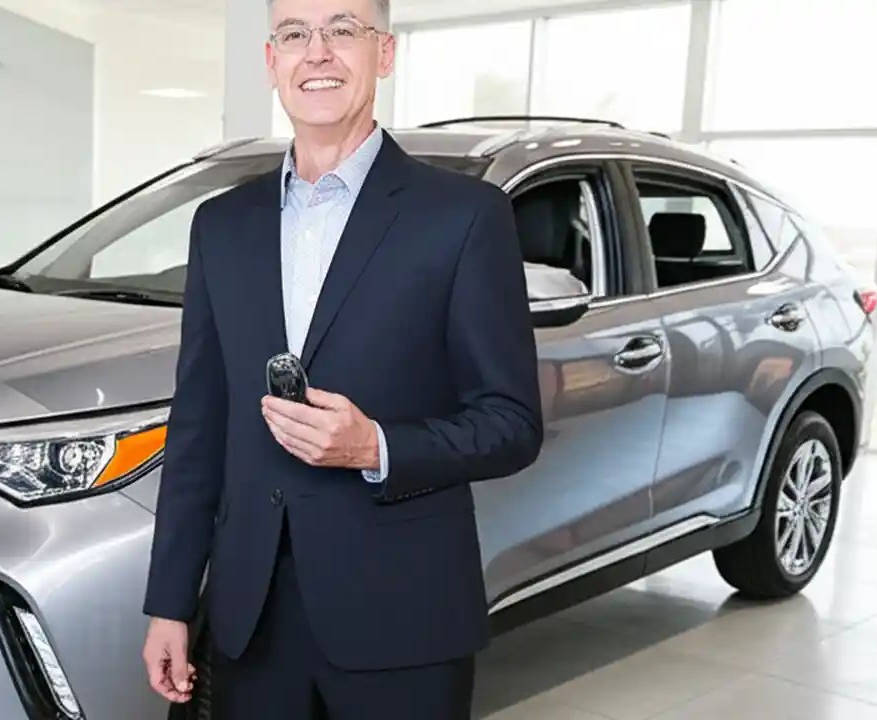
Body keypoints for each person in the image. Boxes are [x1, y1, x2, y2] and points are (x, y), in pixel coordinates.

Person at [141, 0, 544, 717]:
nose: (318, 52)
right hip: (250, 618)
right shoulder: (222, 225)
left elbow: (512, 423)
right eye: (296, 33)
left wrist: (377, 446)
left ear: (384, 54)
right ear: (273, 61)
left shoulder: (463, 216)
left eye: (342, 30)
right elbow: (199, 425)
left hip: (403, 614)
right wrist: (171, 601)